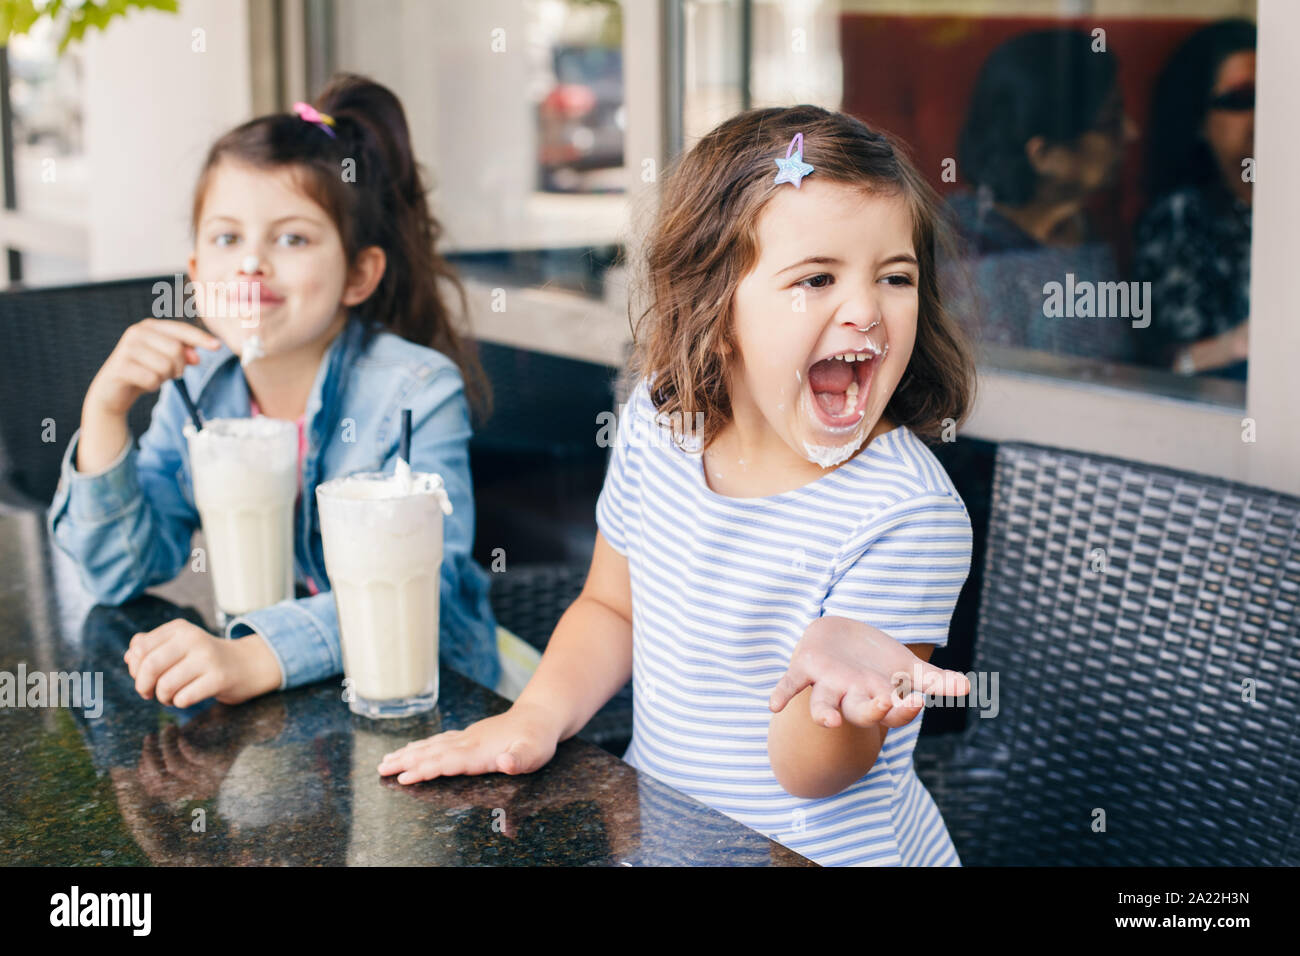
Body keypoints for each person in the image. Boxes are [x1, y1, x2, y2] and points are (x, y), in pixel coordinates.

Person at [381, 106, 976, 867]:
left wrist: (835, 692)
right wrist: (535, 717)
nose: (866, 309)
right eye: (817, 278)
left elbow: (810, 775)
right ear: (715, 304)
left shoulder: (908, 515)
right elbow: (610, 607)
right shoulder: (662, 427)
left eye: (895, 277)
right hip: (665, 839)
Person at [47, 74, 501, 708]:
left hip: (426, 704)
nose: (252, 263)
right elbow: (119, 571)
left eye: (292, 238)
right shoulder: (198, 389)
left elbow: (432, 585)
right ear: (198, 274)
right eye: (228, 237)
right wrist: (105, 413)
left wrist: (252, 654)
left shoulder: (414, 391)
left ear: (359, 274)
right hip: (280, 710)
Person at [947, 28, 1139, 362]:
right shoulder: (966, 255)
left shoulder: (1082, 227)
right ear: (1044, 155)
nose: (1132, 132)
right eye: (1109, 123)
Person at [1132, 19, 1255, 381]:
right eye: (1239, 100)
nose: (1262, 115)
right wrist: (1239, 344)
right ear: (1199, 119)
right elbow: (1166, 363)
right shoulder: (1181, 218)